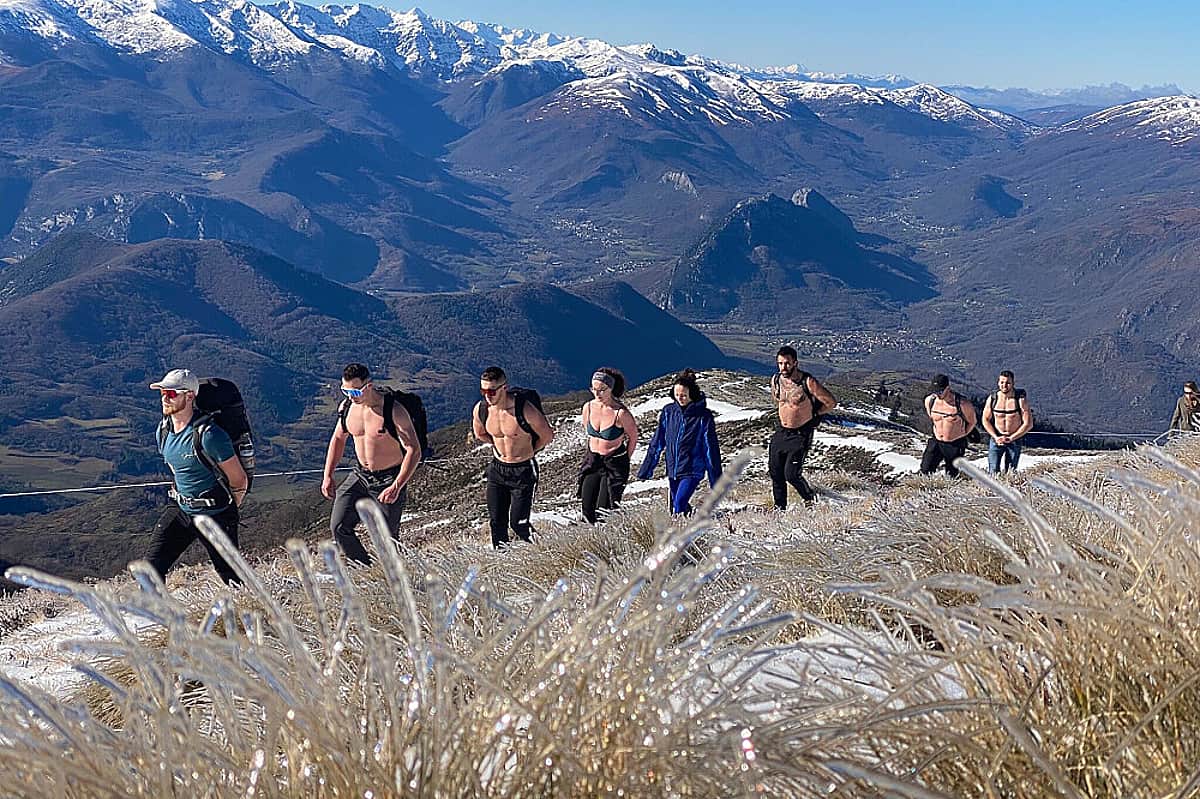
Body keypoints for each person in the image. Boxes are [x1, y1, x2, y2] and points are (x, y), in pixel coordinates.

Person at [147, 368, 248, 585]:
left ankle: (263, 614)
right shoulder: (163, 430)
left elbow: (239, 480)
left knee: (232, 579)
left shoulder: (211, 436)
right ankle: (160, 616)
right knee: (151, 569)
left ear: (190, 396)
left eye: (172, 393)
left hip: (216, 515)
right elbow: (176, 468)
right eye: (163, 392)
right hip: (182, 509)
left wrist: (230, 508)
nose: (165, 397)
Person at [321, 363, 422, 565]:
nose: (351, 395)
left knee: (386, 540)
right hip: (360, 475)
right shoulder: (347, 407)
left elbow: (414, 449)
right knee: (339, 527)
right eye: (345, 390)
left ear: (369, 386)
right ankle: (366, 568)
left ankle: (396, 578)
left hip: (389, 477)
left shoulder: (393, 410)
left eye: (355, 391)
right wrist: (328, 475)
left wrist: (397, 485)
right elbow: (338, 439)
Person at [472, 366, 555, 548]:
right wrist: (497, 446)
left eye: (491, 391)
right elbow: (479, 433)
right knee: (496, 522)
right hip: (498, 469)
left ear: (504, 387)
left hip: (523, 470)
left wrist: (531, 450)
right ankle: (502, 560)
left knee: (519, 523)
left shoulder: (524, 409)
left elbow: (547, 435)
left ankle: (545, 551)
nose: (487, 395)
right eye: (483, 390)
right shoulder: (482, 409)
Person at [636, 369, 722, 515]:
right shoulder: (668, 412)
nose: (680, 398)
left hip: (692, 469)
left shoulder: (703, 416)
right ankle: (688, 520)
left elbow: (710, 448)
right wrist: (647, 469)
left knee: (680, 502)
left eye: (683, 395)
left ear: (692, 395)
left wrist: (716, 480)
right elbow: (657, 442)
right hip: (673, 468)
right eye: (677, 395)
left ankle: (679, 534)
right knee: (676, 506)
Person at [769, 346, 837, 509]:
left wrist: (815, 414)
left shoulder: (807, 382)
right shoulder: (776, 380)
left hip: (800, 433)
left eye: (787, 363)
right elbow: (777, 400)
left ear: (795, 363)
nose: (783, 367)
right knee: (775, 472)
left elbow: (831, 402)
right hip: (782, 431)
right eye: (780, 363)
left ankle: (810, 500)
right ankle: (779, 508)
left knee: (791, 474)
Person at [578, 368, 639, 523]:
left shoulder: (621, 413)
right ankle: (589, 541)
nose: (597, 394)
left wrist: (625, 458)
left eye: (601, 390)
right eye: (594, 389)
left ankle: (607, 540)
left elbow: (633, 436)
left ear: (610, 389)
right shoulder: (588, 407)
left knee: (604, 509)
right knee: (587, 507)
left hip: (613, 463)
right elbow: (588, 431)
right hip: (592, 461)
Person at [920, 374, 977, 478]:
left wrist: (962, 434)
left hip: (955, 443)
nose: (937, 394)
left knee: (951, 475)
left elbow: (972, 422)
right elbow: (932, 417)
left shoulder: (962, 404)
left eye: (940, 391)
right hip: (936, 441)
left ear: (948, 388)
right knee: (925, 470)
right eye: (935, 391)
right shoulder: (930, 401)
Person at [981, 370, 1034, 473]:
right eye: (1002, 382)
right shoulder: (993, 398)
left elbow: (1028, 424)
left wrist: (1012, 438)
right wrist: (996, 437)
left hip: (1014, 439)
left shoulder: (1020, 400)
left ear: (1013, 383)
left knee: (1010, 471)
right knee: (993, 470)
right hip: (996, 438)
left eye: (1007, 383)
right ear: (998, 382)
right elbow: (985, 420)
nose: (1004, 385)